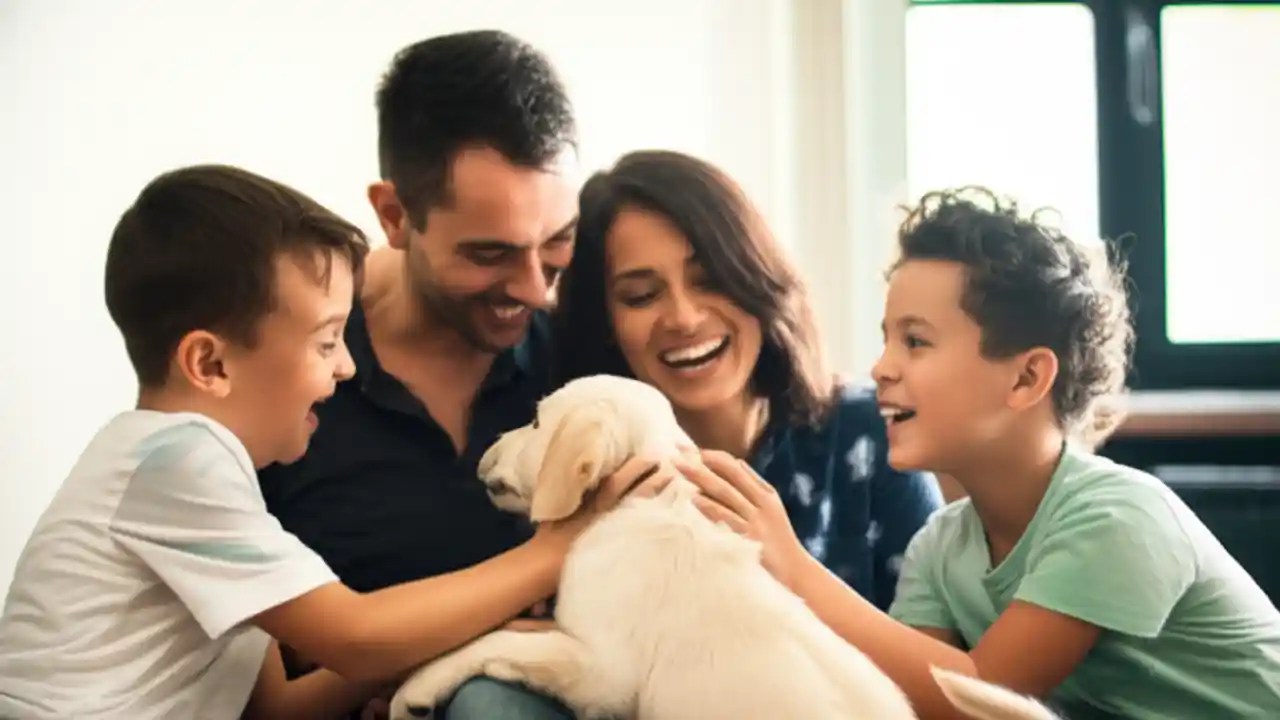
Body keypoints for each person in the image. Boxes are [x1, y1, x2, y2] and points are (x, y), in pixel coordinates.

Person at [0, 165, 656, 719]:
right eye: (325, 341)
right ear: (211, 365)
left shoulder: (195, 480)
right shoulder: (179, 461)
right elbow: (355, 636)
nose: (345, 367)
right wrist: (557, 551)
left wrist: (476, 638)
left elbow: (276, 705)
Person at [678, 187, 1280, 718]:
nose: (881, 367)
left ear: (1025, 380)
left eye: (915, 341)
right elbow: (906, 701)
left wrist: (791, 565)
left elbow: (980, 699)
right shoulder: (940, 548)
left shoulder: (1118, 516)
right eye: (886, 339)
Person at [256, 30, 603, 719]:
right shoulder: (274, 372)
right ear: (394, 215)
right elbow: (248, 696)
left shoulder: (585, 349)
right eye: (489, 253)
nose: (536, 290)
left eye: (557, 242)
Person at [553, 150, 943, 611]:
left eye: (710, 279)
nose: (684, 317)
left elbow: (936, 662)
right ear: (605, 324)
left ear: (755, 276)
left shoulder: (868, 430)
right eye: (641, 296)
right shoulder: (593, 478)